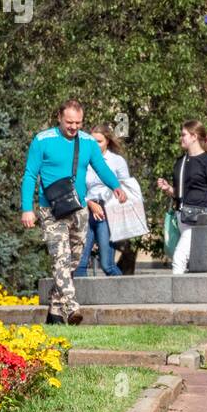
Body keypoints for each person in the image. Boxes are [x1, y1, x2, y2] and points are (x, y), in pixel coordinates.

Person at [21, 100, 127, 324]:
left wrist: (115, 186)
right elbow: (30, 174)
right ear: (59, 117)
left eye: (78, 123)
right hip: (51, 209)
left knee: (73, 261)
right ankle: (71, 307)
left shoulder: (88, 141)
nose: (73, 127)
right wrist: (27, 209)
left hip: (78, 208)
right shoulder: (42, 140)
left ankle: (55, 312)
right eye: (69, 122)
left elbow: (101, 167)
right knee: (60, 257)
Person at [156, 121, 207, 275]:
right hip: (181, 218)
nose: (181, 138)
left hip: (198, 218)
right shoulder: (181, 162)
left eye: (184, 134)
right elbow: (182, 194)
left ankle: (175, 296)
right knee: (192, 262)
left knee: (179, 259)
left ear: (194, 137)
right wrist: (169, 189)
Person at [76, 123, 131, 278]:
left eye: (99, 141)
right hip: (87, 209)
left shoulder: (116, 161)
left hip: (108, 212)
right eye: (92, 141)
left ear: (107, 141)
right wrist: (89, 203)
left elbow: (124, 188)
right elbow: (78, 187)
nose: (95, 145)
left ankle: (125, 295)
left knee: (107, 264)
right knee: (80, 264)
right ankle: (79, 300)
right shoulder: (83, 160)